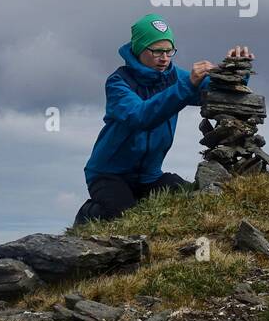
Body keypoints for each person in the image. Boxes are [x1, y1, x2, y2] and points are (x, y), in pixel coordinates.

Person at [75, 13, 252, 224]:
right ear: (139, 49)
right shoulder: (118, 83)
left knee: (193, 198)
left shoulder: (175, 77)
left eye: (169, 51)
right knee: (126, 221)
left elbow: (218, 92)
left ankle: (136, 201)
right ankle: (89, 212)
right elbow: (141, 116)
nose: (165, 57)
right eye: (157, 51)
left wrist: (237, 70)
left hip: (150, 176)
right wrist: (186, 87)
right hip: (109, 175)